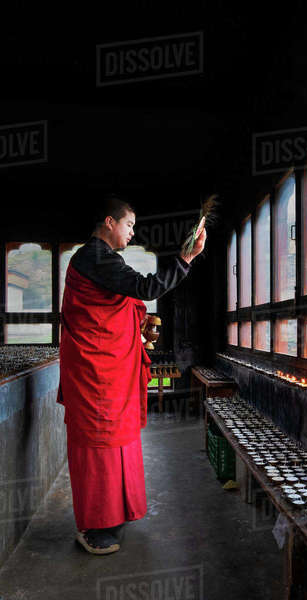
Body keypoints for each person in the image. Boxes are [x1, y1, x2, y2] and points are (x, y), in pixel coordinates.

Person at [57, 194, 206, 554]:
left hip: (108, 370)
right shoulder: (93, 256)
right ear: (109, 222)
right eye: (129, 225)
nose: (132, 233)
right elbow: (145, 288)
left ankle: (113, 513)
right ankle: (91, 526)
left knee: (118, 441)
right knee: (97, 444)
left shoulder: (102, 259)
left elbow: (122, 304)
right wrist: (185, 259)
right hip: (95, 373)